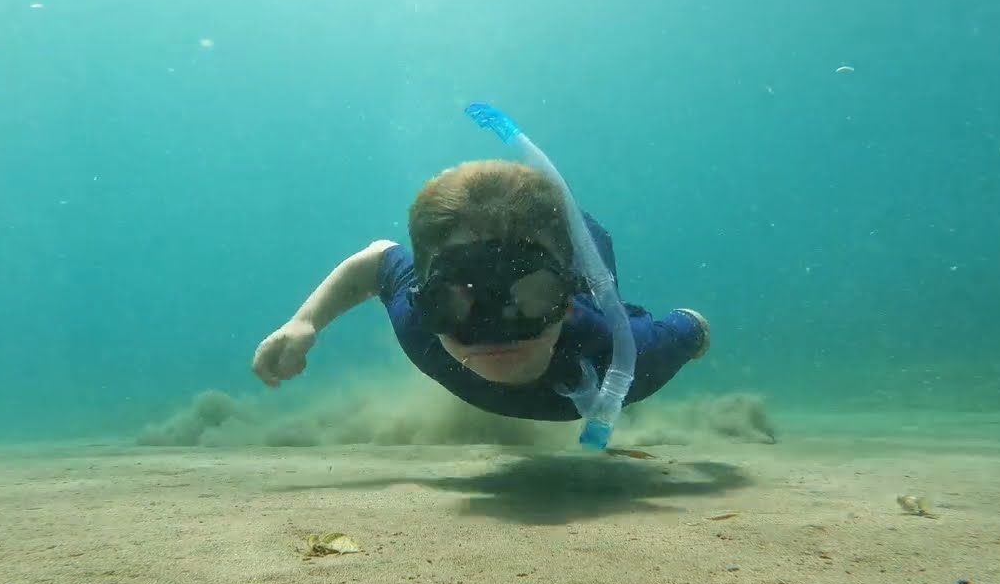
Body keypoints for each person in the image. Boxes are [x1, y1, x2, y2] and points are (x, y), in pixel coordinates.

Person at [251, 159, 710, 423]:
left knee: (592, 255)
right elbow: (377, 258)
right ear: (425, 298)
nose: (495, 328)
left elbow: (691, 325)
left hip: (583, 260)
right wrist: (304, 322)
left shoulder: (621, 359)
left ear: (565, 299)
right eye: (458, 298)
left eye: (531, 295)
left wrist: (693, 329)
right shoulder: (418, 322)